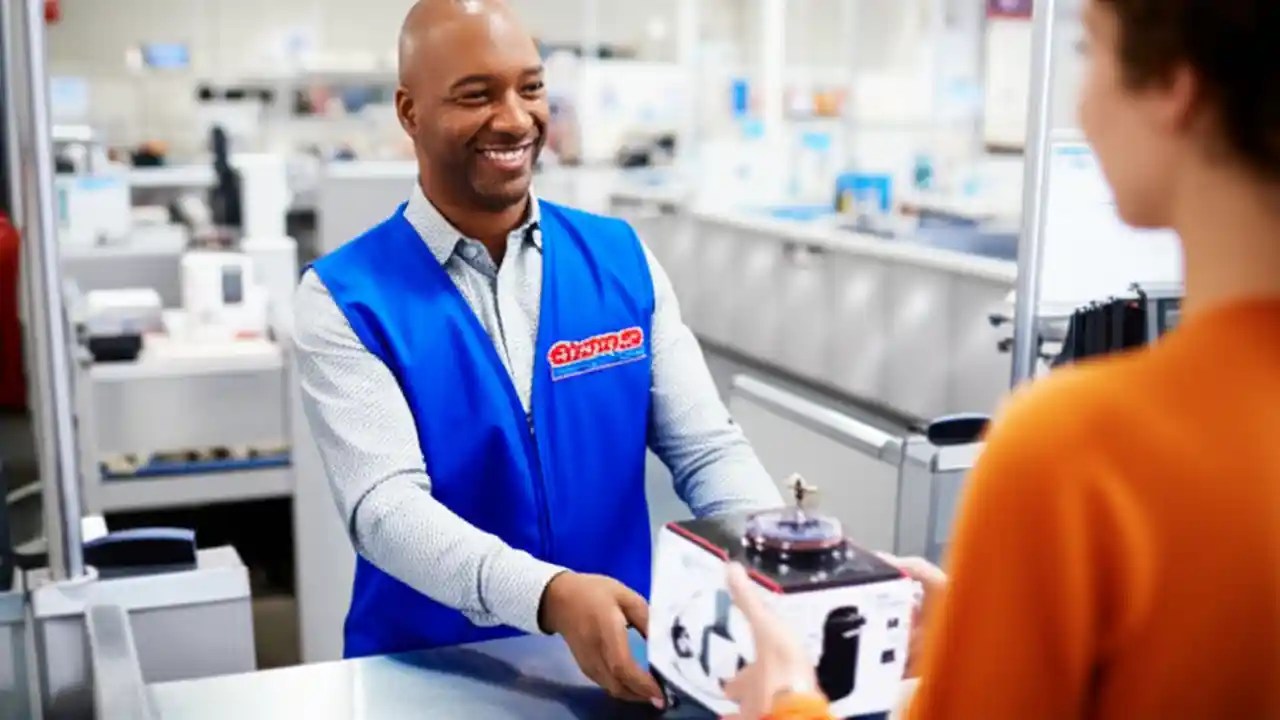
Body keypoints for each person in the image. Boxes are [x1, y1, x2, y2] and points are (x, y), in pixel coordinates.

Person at [722, 0, 1280, 717]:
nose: (1081, 108)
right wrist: (990, 628)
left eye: (1091, 53)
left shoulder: (1081, 449)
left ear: (1175, 83)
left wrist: (787, 700)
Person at [292, 0, 782, 707]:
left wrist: (779, 560)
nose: (516, 119)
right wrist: (548, 595)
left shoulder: (620, 261)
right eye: (476, 95)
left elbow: (707, 449)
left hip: (618, 666)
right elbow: (386, 510)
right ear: (409, 112)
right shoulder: (347, 298)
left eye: (531, 88)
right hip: (429, 675)